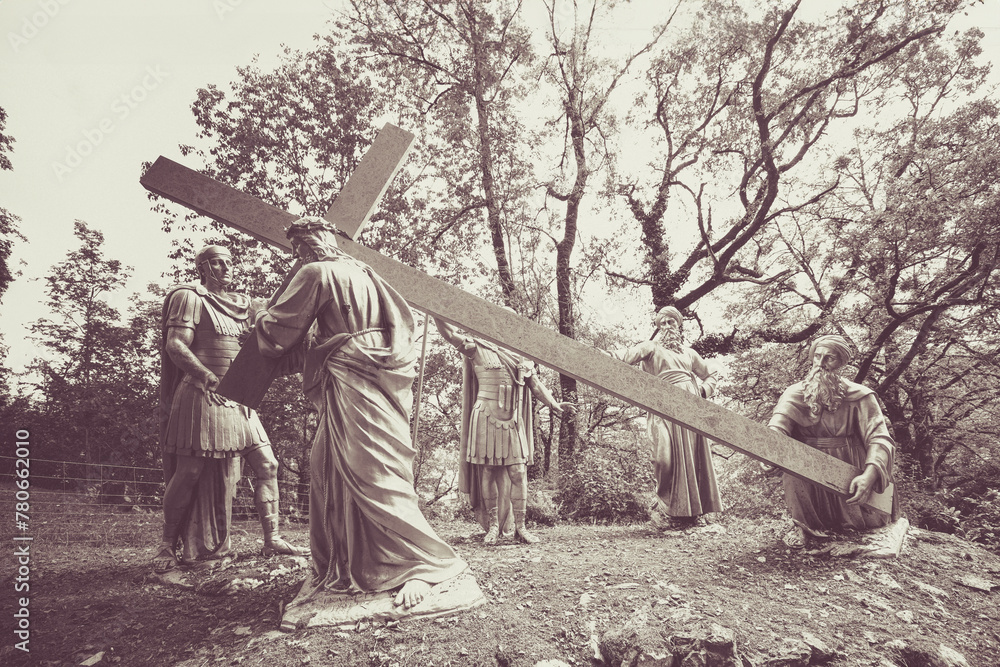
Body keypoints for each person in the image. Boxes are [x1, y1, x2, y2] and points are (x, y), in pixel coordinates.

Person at [254, 217, 468, 610]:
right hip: (377, 374)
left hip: (354, 378)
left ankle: (415, 562)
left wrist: (257, 312)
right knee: (334, 467)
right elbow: (401, 324)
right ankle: (353, 560)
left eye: (299, 247)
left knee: (371, 470)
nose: (298, 255)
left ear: (310, 245)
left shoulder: (315, 273)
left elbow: (276, 334)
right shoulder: (367, 273)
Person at [154, 245, 305, 572]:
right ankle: (167, 545)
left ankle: (273, 539)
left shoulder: (248, 306)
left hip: (240, 397)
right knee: (189, 472)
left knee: (268, 464)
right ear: (204, 268)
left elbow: (275, 330)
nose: (226, 268)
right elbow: (175, 345)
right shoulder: (190, 297)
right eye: (217, 263)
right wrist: (204, 374)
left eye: (229, 263)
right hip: (201, 394)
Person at [434, 315, 575, 545]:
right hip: (486, 415)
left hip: (513, 420)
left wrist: (554, 404)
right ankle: (492, 528)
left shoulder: (521, 357)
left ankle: (520, 527)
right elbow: (449, 335)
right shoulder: (478, 347)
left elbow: (536, 385)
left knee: (518, 472)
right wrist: (436, 310)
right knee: (488, 471)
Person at [768, 334, 895, 548]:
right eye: (817, 356)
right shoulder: (795, 393)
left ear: (842, 363)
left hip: (848, 463)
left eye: (829, 358)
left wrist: (869, 475)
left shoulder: (861, 396)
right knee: (793, 468)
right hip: (807, 463)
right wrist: (770, 449)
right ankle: (804, 527)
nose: (820, 364)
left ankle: (851, 525)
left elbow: (879, 438)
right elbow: (778, 427)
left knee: (862, 521)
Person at [610, 306, 722, 528]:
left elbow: (711, 374)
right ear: (658, 327)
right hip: (662, 408)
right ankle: (664, 504)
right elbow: (625, 355)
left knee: (694, 458)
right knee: (663, 459)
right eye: (662, 323)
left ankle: (691, 513)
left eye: (671, 322)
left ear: (678, 325)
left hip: (689, 411)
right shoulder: (651, 347)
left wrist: (702, 391)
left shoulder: (689, 353)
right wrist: (602, 355)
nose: (667, 326)